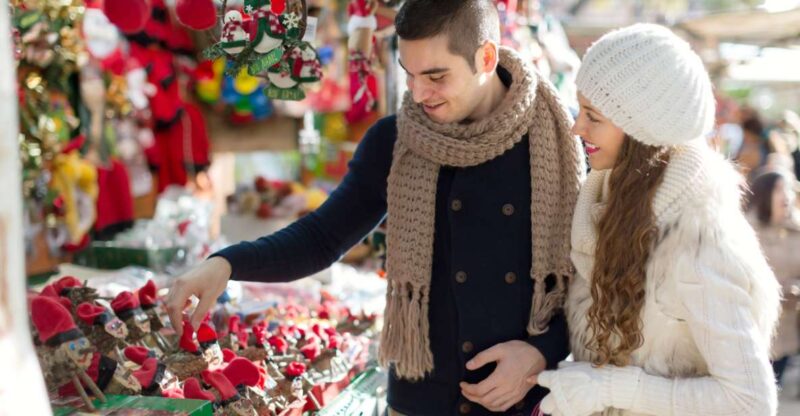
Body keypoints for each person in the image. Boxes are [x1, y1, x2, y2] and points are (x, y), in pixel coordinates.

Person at [166, 1, 585, 414]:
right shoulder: (394, 140)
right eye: (410, 75)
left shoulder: (560, 142)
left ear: (486, 58)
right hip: (422, 400)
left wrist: (541, 352)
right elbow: (322, 238)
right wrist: (226, 263)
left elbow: (592, 280)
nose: (419, 95)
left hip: (523, 400)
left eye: (436, 76)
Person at [533, 24, 781, 416]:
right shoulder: (604, 206)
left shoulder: (698, 240)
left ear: (640, 131)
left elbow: (751, 402)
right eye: (579, 110)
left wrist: (611, 388)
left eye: (592, 116)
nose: (576, 127)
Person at [747, 169, 800, 387]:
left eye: (788, 188)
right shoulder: (745, 232)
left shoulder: (797, 232)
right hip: (751, 330)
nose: (786, 195)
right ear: (763, 194)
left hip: (787, 330)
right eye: (779, 189)